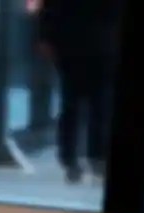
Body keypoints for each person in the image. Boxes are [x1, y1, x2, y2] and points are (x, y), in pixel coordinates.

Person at [38, 0, 121, 184]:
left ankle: (70, 158)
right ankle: (95, 156)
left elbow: (50, 10)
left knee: (72, 104)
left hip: (73, 42)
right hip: (101, 43)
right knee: (99, 105)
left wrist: (46, 37)